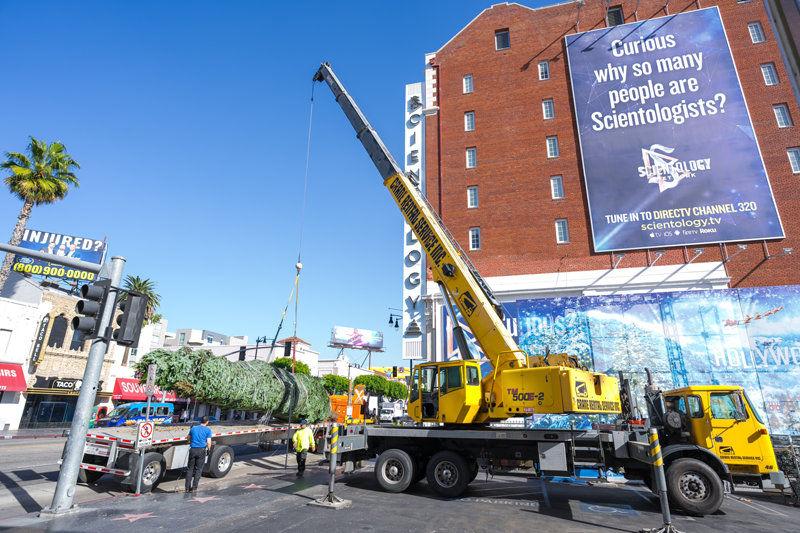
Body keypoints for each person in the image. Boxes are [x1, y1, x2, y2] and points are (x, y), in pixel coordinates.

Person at [185, 415, 212, 492]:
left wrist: (190, 441)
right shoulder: (208, 430)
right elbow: (209, 442)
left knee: (190, 469)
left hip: (193, 449)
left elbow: (188, 438)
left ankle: (187, 488)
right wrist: (209, 450)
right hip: (201, 450)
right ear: (207, 422)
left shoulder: (193, 428)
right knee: (198, 470)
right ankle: (194, 488)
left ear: (200, 421)